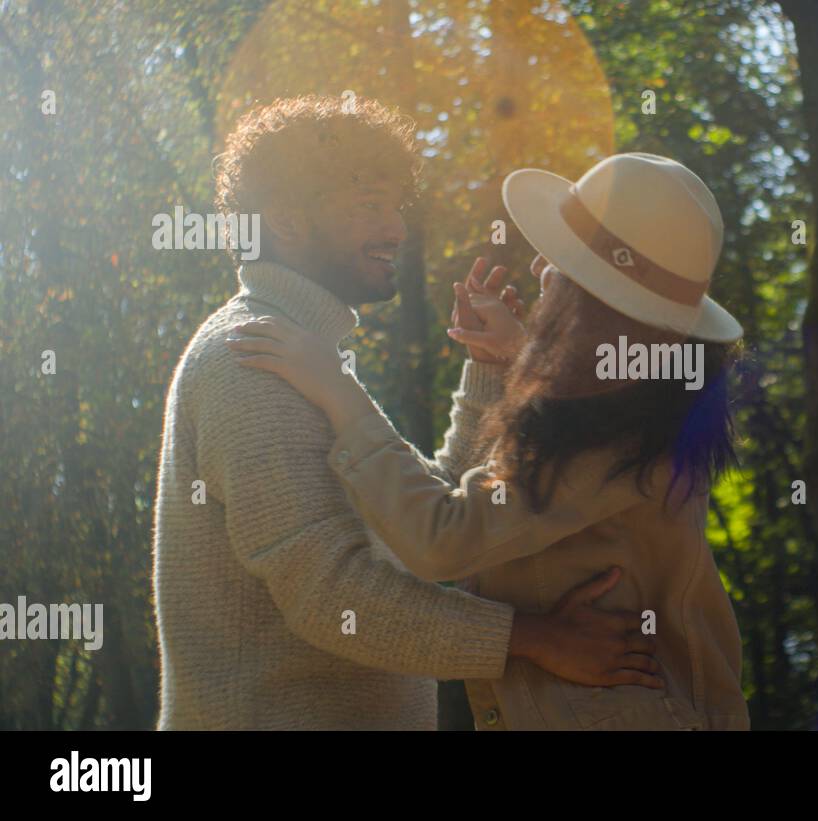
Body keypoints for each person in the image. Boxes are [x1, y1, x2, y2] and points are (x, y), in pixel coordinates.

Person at [152, 95, 658, 730]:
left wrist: (489, 371)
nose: (395, 229)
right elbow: (327, 593)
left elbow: (429, 515)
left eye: (395, 207)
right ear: (286, 221)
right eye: (369, 208)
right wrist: (534, 639)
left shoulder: (306, 355)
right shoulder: (252, 359)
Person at [226, 153, 752, 730]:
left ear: (597, 304)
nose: (539, 269)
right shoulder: (636, 410)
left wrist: (335, 386)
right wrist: (501, 366)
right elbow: (480, 504)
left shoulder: (614, 439)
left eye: (561, 265)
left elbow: (439, 537)